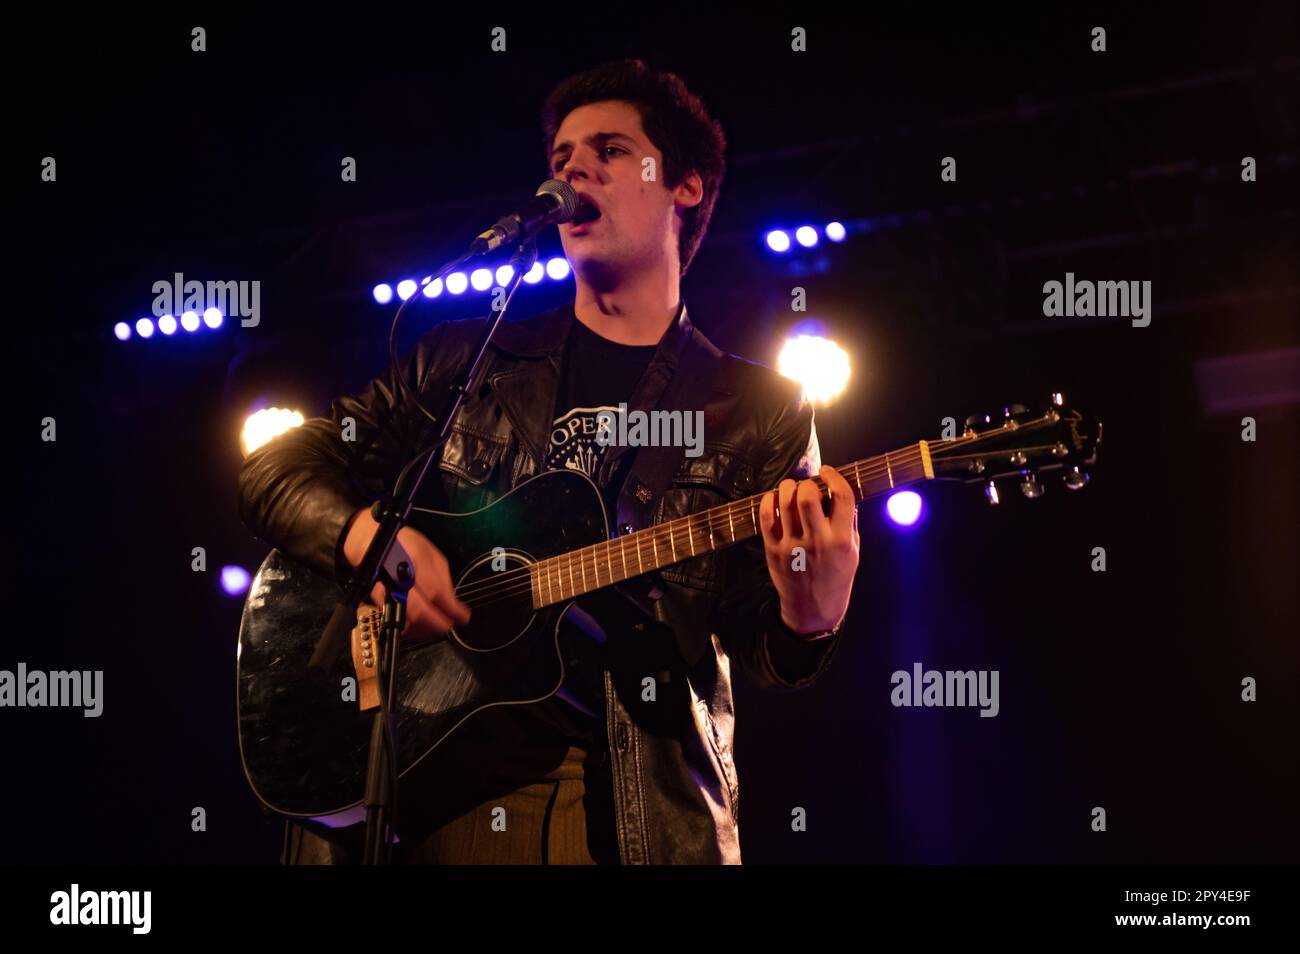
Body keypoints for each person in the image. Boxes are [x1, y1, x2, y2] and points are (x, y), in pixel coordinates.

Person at [239, 59, 860, 865]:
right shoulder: (466, 359)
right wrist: (374, 545)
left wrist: (813, 614)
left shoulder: (757, 410)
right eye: (563, 154)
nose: (572, 168)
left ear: (686, 187)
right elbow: (274, 472)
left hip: (609, 805)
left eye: (609, 149)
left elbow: (758, 642)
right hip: (419, 791)